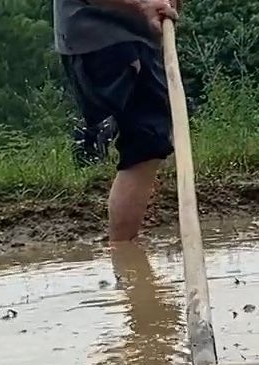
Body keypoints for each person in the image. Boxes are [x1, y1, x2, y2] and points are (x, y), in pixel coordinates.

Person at [54, 0, 179, 242]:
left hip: (119, 36)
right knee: (147, 143)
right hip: (109, 36)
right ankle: (124, 256)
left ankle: (125, 255)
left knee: (148, 144)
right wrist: (143, 5)